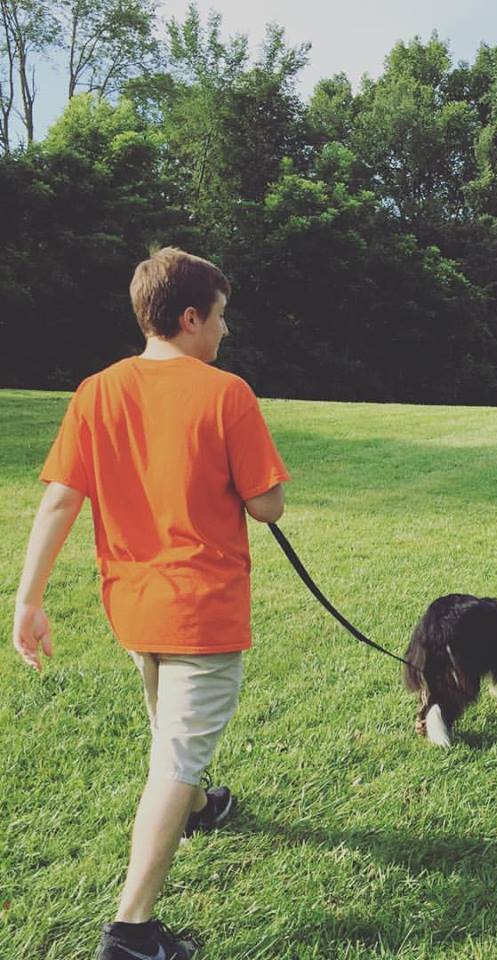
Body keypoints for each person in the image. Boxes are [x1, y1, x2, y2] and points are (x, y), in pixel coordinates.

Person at [11, 247, 290, 960]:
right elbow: (267, 504)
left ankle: (202, 807)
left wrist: (28, 600)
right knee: (175, 760)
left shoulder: (96, 391)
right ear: (190, 317)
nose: (225, 330)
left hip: (134, 609)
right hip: (203, 612)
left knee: (173, 734)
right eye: (220, 317)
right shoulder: (227, 393)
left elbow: (60, 500)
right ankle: (132, 932)